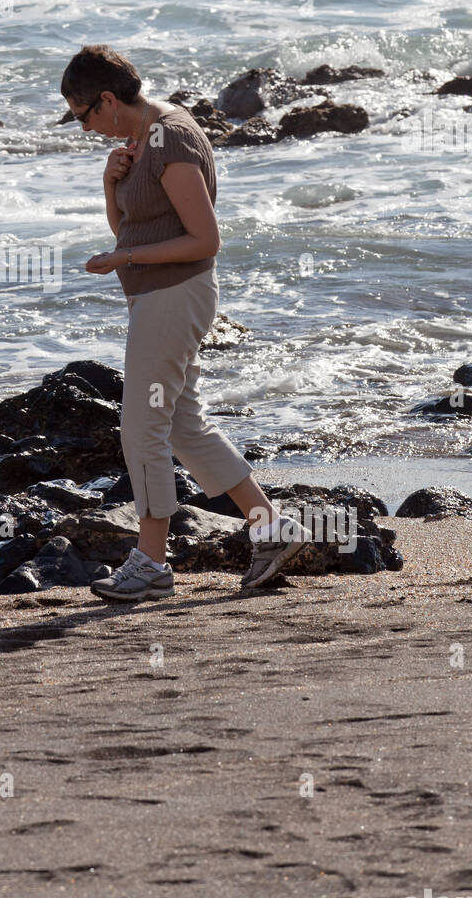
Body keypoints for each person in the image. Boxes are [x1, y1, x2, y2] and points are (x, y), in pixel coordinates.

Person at [60, 44, 312, 601]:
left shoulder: (170, 137)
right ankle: (271, 527)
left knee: (141, 427)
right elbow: (130, 227)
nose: (84, 128)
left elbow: (205, 239)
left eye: (83, 116)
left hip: (174, 297)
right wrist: (110, 185)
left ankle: (150, 563)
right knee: (182, 426)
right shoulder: (141, 139)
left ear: (107, 99)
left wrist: (124, 259)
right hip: (160, 298)